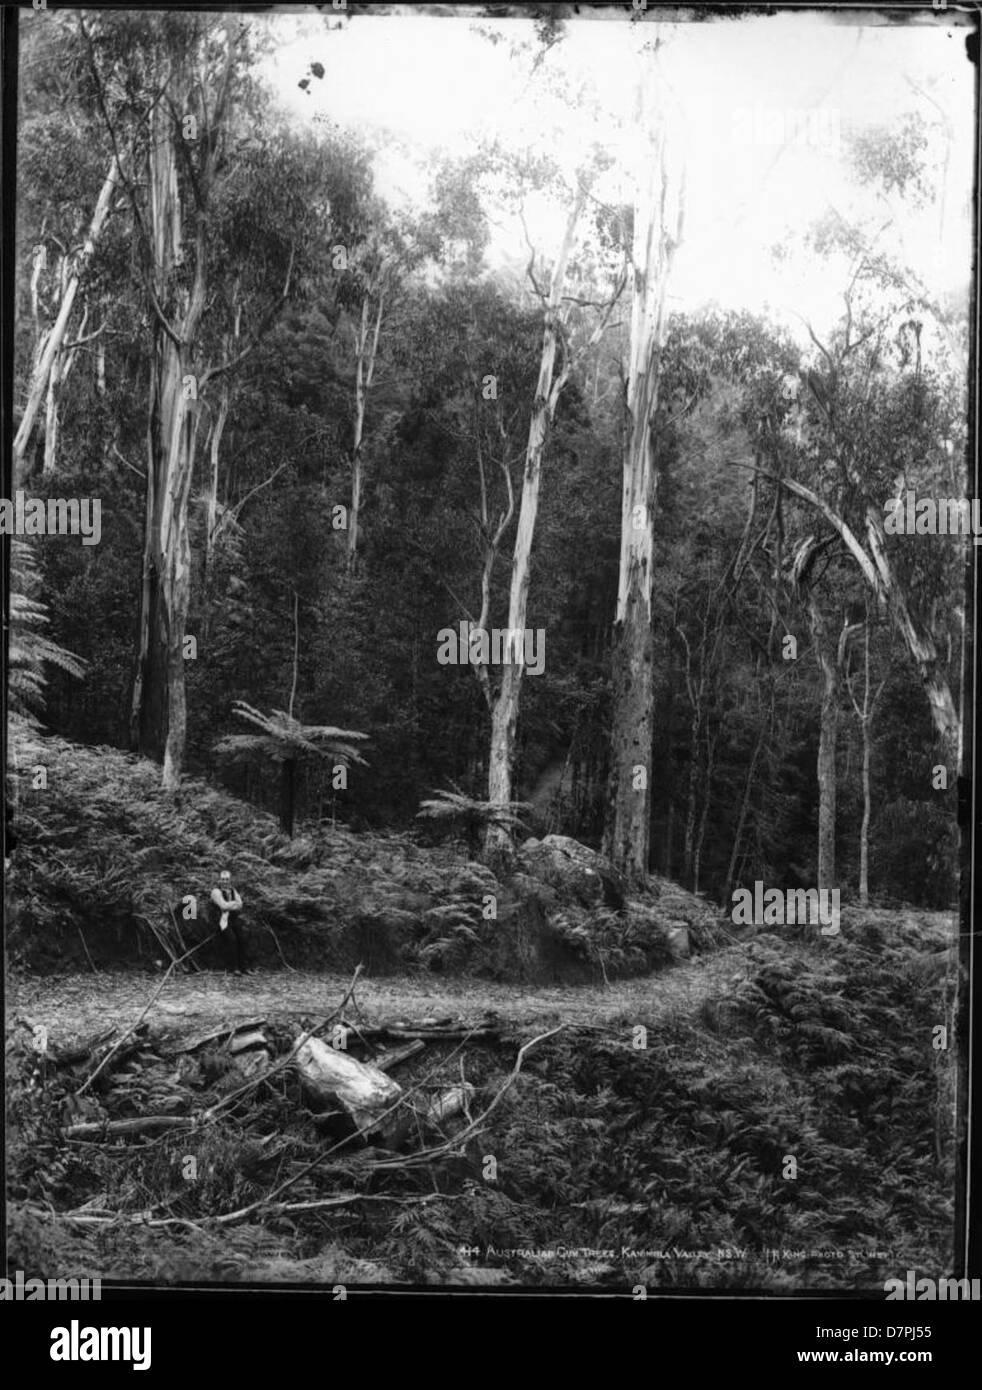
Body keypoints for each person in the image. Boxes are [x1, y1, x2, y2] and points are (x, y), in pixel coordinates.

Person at [209, 869, 248, 975]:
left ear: (230, 880)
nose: (225, 881)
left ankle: (243, 967)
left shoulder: (233, 890)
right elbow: (223, 906)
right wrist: (234, 903)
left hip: (232, 920)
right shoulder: (216, 892)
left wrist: (230, 905)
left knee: (243, 939)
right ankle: (233, 968)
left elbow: (241, 905)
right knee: (232, 940)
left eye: (227, 879)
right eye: (223, 879)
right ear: (219, 880)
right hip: (221, 921)